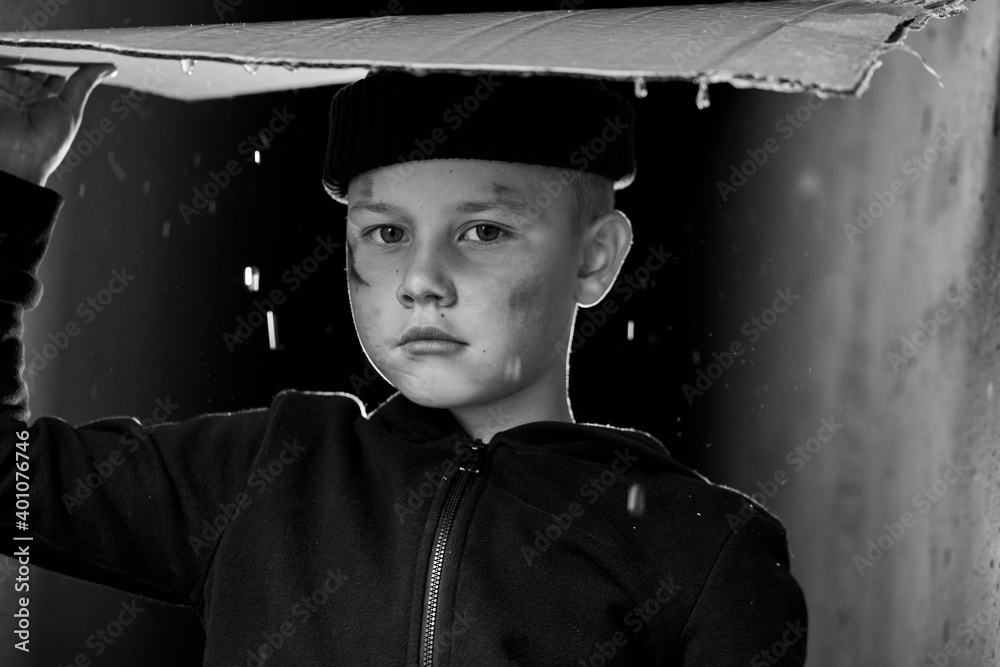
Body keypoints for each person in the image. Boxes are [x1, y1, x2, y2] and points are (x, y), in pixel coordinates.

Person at [1, 64, 808, 665]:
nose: (422, 281)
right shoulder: (262, 471)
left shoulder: (703, 553)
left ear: (595, 258)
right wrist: (6, 188)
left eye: (484, 231)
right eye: (387, 234)